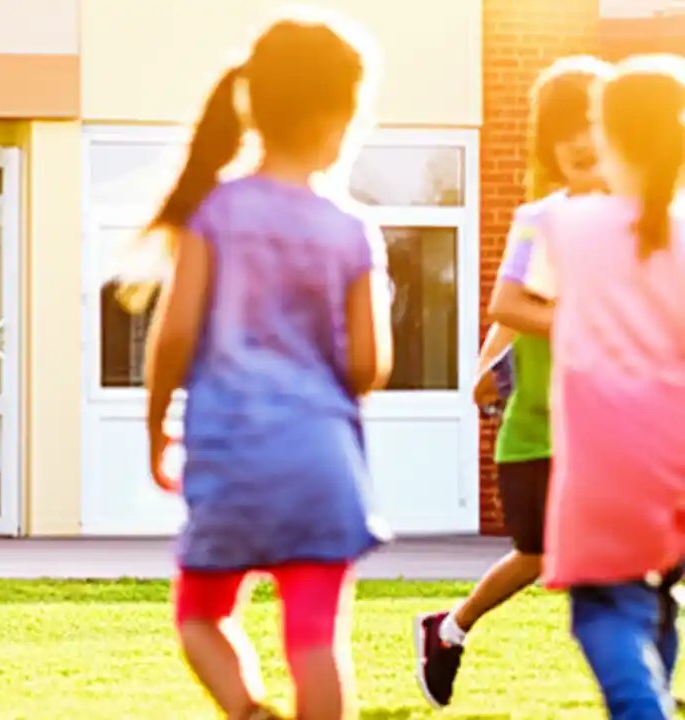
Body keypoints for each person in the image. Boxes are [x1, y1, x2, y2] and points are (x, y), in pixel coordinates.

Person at [128, 10, 392, 719]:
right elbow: (368, 365)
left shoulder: (217, 212)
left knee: (201, 618)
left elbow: (175, 335)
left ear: (254, 105)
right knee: (315, 642)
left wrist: (156, 426)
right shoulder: (352, 230)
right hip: (321, 463)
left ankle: (247, 712)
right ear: (344, 116)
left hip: (232, 457)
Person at [414, 56, 612, 708]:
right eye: (566, 127)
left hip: (620, 425)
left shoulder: (648, 216)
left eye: (593, 121)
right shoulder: (540, 219)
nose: (581, 139)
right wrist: (484, 369)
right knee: (538, 556)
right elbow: (510, 304)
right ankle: (447, 631)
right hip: (542, 426)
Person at [525, 53, 685, 720]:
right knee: (655, 600)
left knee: (604, 608)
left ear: (608, 138)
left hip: (604, 460)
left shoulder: (562, 226)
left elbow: (523, 300)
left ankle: (643, 708)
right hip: (677, 453)